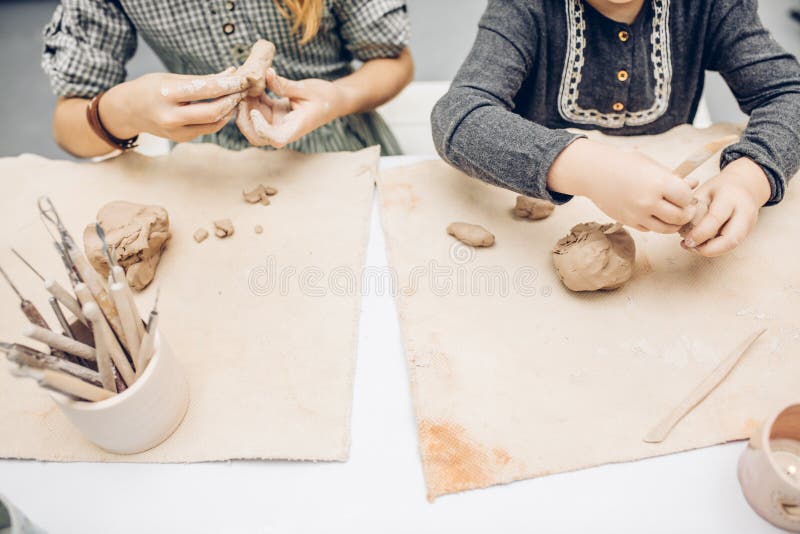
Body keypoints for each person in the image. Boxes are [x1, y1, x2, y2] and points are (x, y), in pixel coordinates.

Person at [431, 0, 800, 257]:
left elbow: (789, 93)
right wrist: (587, 169)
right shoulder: (523, 8)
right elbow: (457, 115)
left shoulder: (713, 7)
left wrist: (751, 177)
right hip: (546, 209)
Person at [43, 0, 413, 158]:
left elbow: (394, 61)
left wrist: (336, 98)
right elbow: (66, 126)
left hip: (340, 144)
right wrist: (123, 111)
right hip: (208, 166)